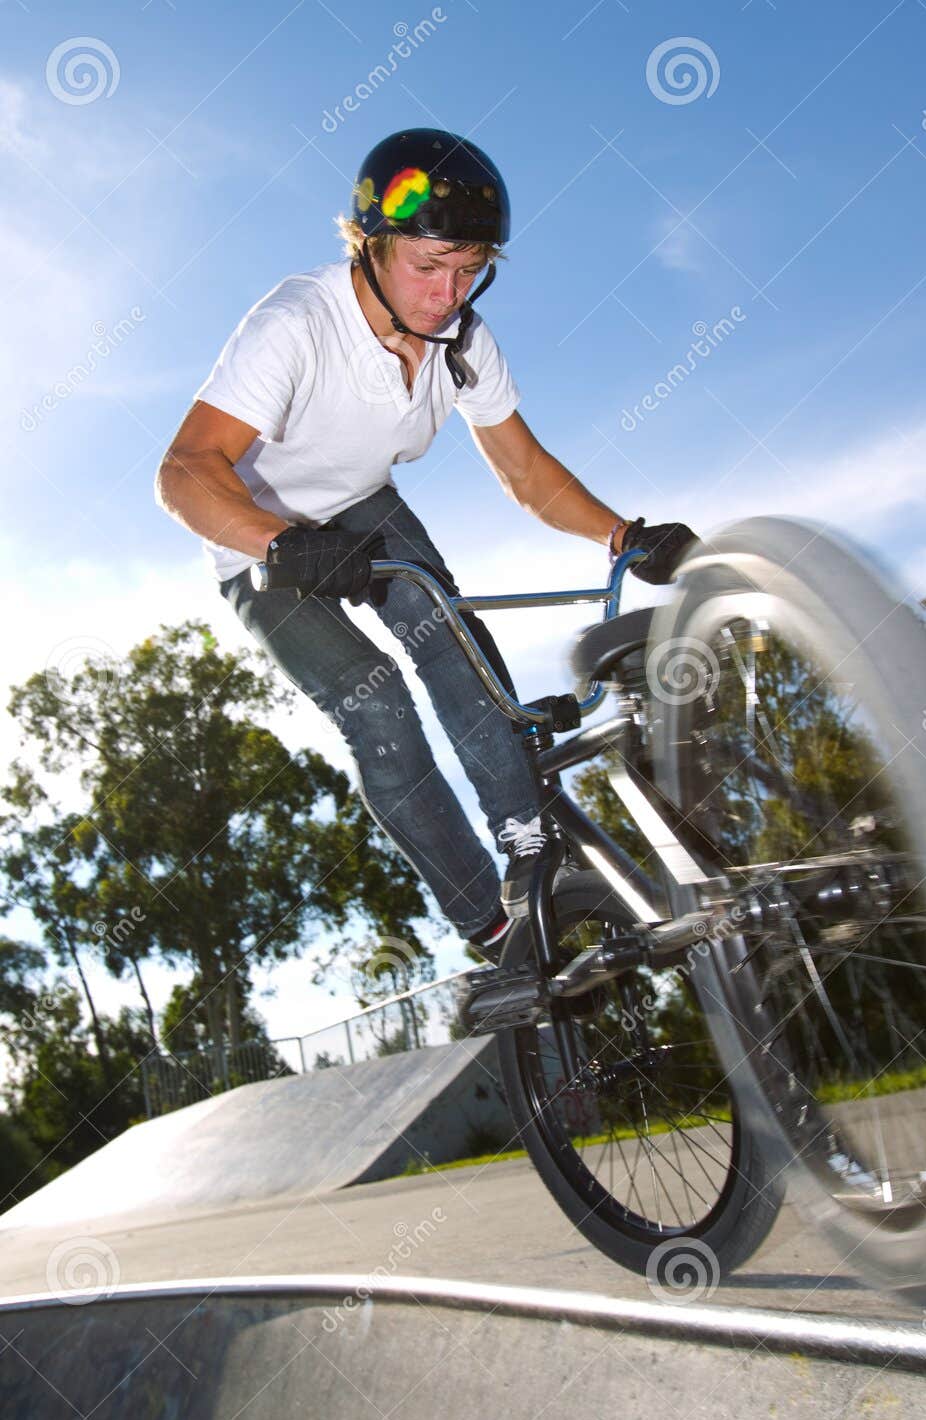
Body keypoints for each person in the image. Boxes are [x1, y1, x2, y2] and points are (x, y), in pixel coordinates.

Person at [155, 127, 698, 963]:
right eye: (428, 265)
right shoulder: (298, 323)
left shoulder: (465, 346)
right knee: (376, 705)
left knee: (444, 634)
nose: (448, 293)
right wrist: (278, 545)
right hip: (256, 543)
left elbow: (526, 474)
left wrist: (623, 537)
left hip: (365, 510)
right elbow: (185, 469)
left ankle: (527, 848)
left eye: (469, 268)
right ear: (369, 245)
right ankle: (485, 918)